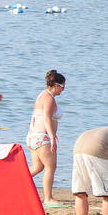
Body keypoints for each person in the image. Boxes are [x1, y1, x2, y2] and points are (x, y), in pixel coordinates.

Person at [26, 71, 65, 206]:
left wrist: (53, 134)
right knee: (51, 167)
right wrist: (52, 137)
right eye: (62, 87)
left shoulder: (42, 95)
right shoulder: (48, 98)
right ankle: (48, 198)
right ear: (55, 85)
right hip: (41, 137)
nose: (63, 90)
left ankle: (15, 183)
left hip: (33, 136)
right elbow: (47, 118)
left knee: (37, 167)